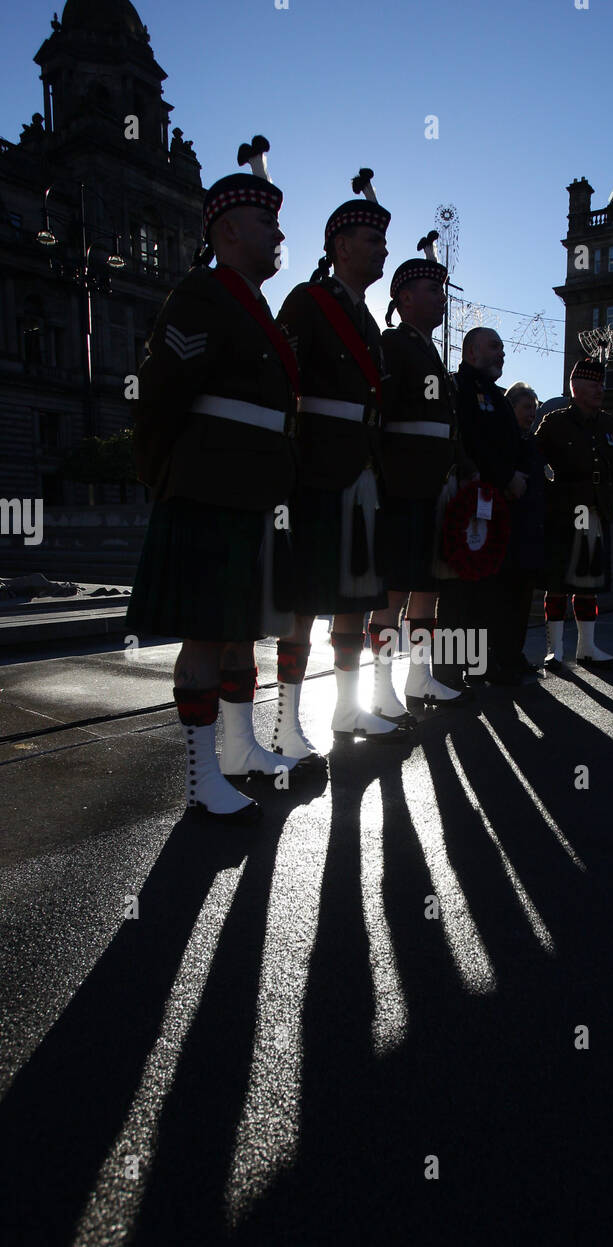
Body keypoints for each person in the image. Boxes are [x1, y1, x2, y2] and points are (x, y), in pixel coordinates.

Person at [126, 138, 300, 823]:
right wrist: (167, 479)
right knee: (205, 637)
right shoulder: (201, 295)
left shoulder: (254, 306)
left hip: (252, 496)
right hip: (207, 492)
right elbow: (158, 399)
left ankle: (241, 751)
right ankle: (201, 780)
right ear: (228, 228)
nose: (278, 233)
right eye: (266, 223)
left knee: (239, 633)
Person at [273, 169, 405, 746]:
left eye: (384, 241)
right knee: (305, 600)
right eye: (372, 240)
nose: (382, 251)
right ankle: (285, 723)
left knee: (356, 595)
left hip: (362, 471)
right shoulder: (309, 302)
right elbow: (279, 380)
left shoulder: (369, 322)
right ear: (341, 245)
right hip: (318, 469)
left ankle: (346, 709)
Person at [367, 232, 472, 719]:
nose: (441, 299)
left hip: (432, 490)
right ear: (404, 297)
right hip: (402, 486)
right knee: (394, 589)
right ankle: (380, 687)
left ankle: (419, 677)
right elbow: (379, 416)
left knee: (428, 586)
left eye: (443, 290)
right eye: (432, 290)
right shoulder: (393, 346)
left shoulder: (430, 354)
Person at [435, 327, 527, 688]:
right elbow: (471, 439)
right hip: (467, 497)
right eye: (494, 346)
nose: (501, 353)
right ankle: (447, 673)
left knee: (484, 589)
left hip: (496, 504)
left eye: (503, 347)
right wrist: (506, 476)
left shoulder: (498, 396)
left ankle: (476, 666)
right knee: (458, 591)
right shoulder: (459, 387)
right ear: (472, 350)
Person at [535, 356, 613, 669]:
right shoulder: (555, 422)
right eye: (592, 383)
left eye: (601, 383)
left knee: (590, 585)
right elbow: (534, 462)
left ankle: (587, 648)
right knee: (557, 582)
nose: (600, 388)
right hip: (564, 510)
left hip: (597, 510)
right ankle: (554, 651)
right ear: (575, 387)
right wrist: (549, 495)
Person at [501, 381, 546, 678]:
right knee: (504, 601)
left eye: (534, 408)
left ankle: (514, 655)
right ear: (511, 407)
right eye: (526, 407)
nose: (532, 413)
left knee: (521, 600)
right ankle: (499, 659)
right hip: (508, 532)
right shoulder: (506, 442)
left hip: (529, 532)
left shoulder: (532, 442)